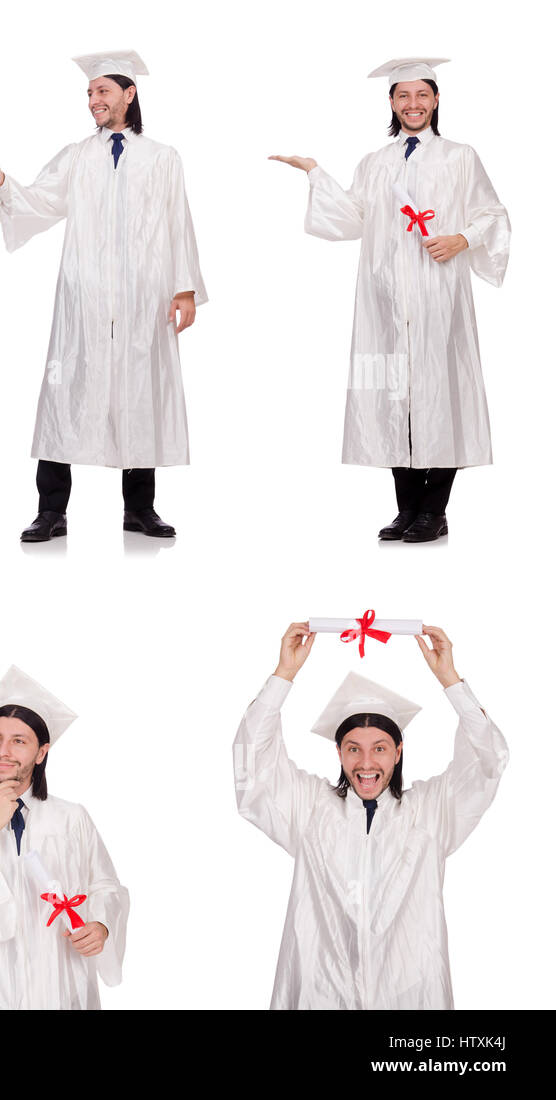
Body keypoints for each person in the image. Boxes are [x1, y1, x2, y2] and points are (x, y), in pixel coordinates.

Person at [0, 50, 205, 542]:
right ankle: (51, 510)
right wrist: (2, 182)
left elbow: (178, 220)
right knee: (64, 394)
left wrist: (184, 289)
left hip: (142, 298)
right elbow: (39, 201)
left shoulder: (162, 157)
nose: (94, 100)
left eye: (103, 91)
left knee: (140, 394)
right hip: (85, 298)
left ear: (129, 95)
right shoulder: (77, 155)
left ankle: (140, 509)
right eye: (90, 93)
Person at [271, 58, 509, 543]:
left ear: (436, 100)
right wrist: (315, 173)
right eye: (404, 96)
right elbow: (351, 217)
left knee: (443, 397)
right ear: (392, 102)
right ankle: (406, 509)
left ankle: (434, 510)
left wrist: (461, 238)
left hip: (438, 297)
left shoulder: (460, 157)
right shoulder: (376, 162)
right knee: (391, 398)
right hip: (383, 303)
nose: (413, 104)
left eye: (422, 95)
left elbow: (492, 211)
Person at [234, 623, 508, 1009]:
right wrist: (284, 674)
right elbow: (253, 769)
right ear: (339, 753)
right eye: (353, 748)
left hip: (411, 995)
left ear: (398, 751)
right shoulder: (310, 809)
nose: (366, 763)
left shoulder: (431, 813)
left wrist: (450, 679)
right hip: (320, 991)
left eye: (379, 748)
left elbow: (488, 761)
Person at [0, 666, 128, 1008]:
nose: (3, 751)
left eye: (18, 741)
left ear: (41, 752)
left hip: (62, 980)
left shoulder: (71, 818)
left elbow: (106, 885)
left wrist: (102, 926)